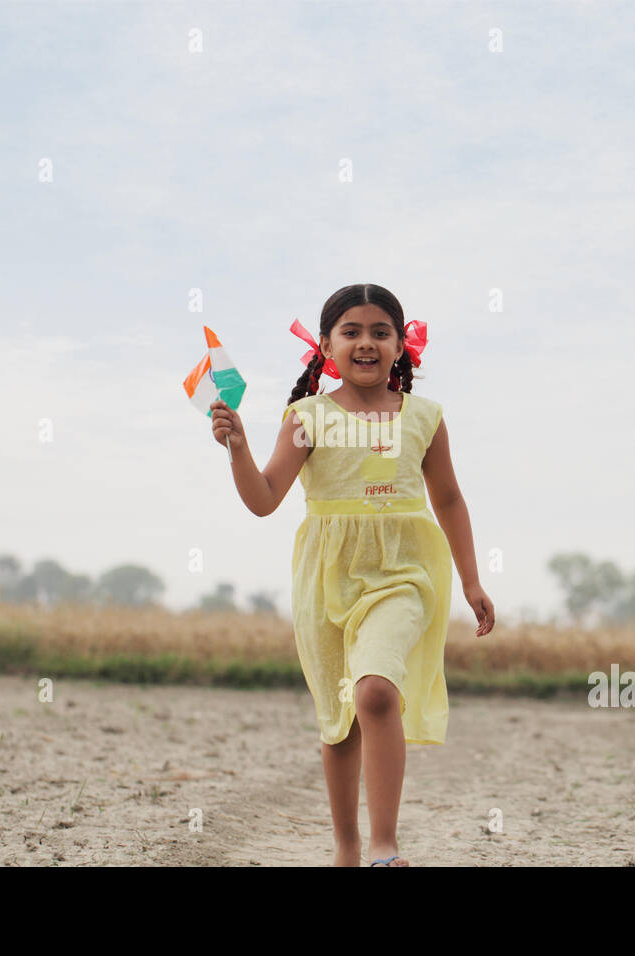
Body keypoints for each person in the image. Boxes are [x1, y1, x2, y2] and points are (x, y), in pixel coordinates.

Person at [209, 282, 494, 867]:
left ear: (400, 345)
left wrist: (471, 581)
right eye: (352, 331)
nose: (366, 342)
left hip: (405, 571)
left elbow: (449, 499)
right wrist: (237, 445)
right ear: (325, 346)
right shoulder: (305, 417)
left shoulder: (425, 417)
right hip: (326, 575)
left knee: (376, 692)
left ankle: (386, 846)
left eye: (380, 331)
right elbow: (264, 499)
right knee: (339, 722)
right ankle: (347, 850)